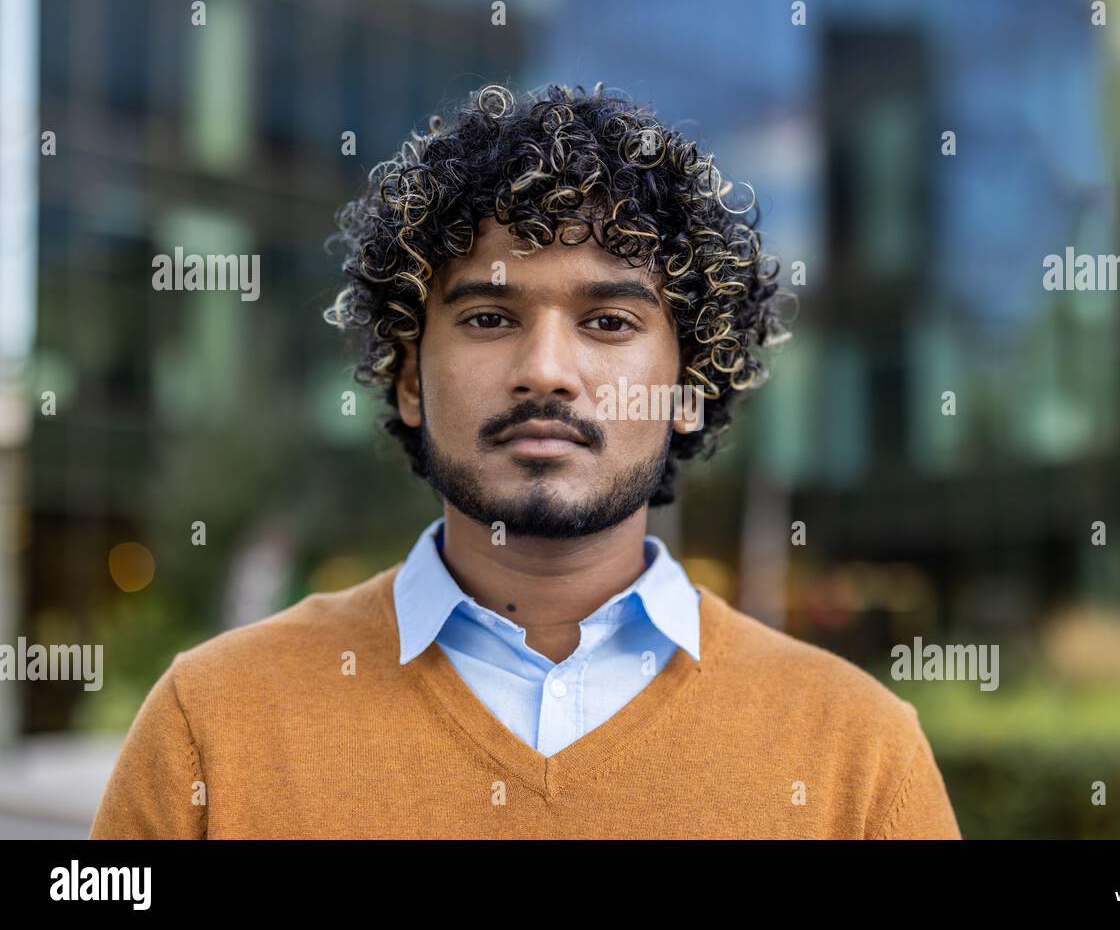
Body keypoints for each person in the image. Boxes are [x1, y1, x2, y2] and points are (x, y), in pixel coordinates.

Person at [89, 82, 960, 839]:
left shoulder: (860, 756)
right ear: (409, 380)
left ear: (689, 387)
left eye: (609, 322)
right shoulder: (212, 723)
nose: (545, 370)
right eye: (489, 318)